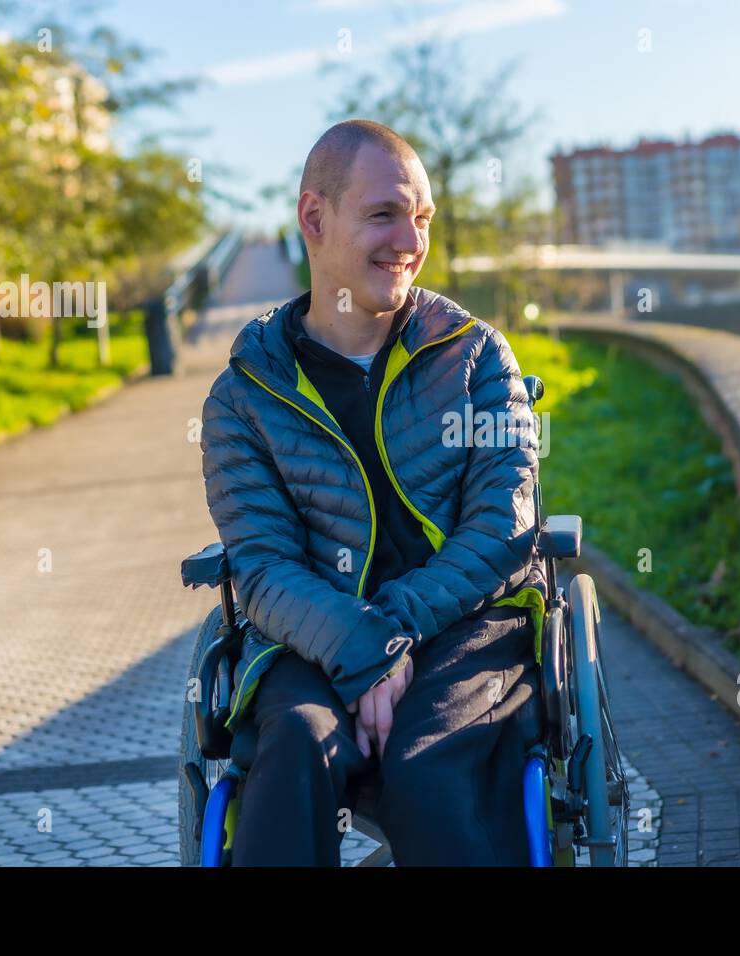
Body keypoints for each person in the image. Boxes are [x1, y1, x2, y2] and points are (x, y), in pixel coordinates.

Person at [198, 119, 547, 866]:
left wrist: (388, 633)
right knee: (292, 749)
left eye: (421, 218)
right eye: (385, 214)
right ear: (314, 219)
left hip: (465, 621)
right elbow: (261, 568)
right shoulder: (242, 399)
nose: (410, 242)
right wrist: (360, 646)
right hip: (313, 638)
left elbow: (503, 531)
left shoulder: (477, 357)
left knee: (429, 766)